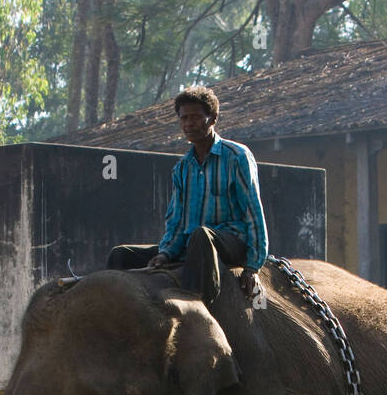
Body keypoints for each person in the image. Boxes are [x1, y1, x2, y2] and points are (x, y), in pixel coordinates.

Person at [107, 85, 268, 306]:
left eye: (196, 117)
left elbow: (253, 213)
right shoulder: (182, 168)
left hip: (230, 242)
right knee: (121, 255)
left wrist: (253, 266)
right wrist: (164, 255)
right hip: (194, 246)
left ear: (213, 119)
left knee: (201, 235)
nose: (189, 124)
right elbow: (176, 223)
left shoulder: (237, 156)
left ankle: (198, 307)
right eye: (184, 118)